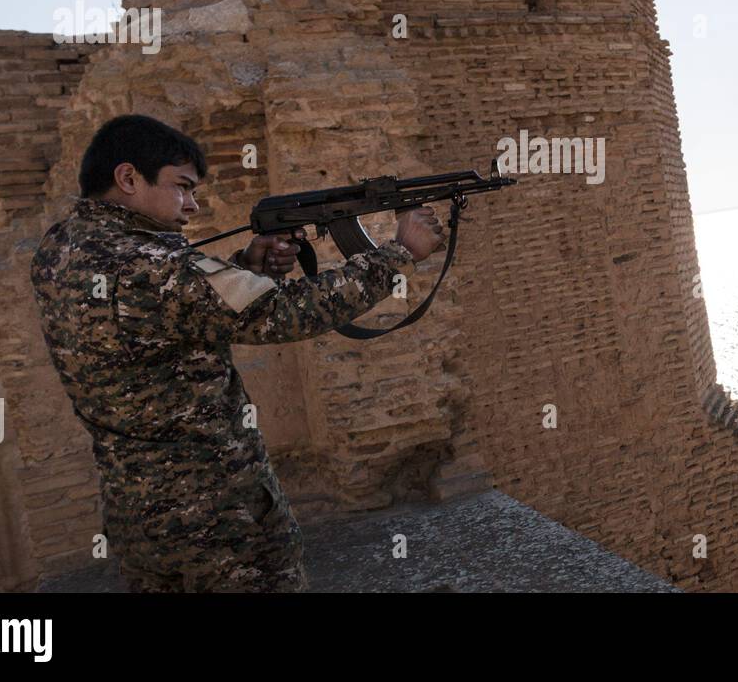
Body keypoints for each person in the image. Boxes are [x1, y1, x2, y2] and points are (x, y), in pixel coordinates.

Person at [29, 114, 444, 591]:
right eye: (182, 187)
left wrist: (243, 268)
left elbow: (160, 320)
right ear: (127, 178)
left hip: (137, 512)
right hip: (218, 518)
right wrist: (398, 254)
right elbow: (287, 312)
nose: (192, 204)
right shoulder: (152, 264)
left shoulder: (61, 248)